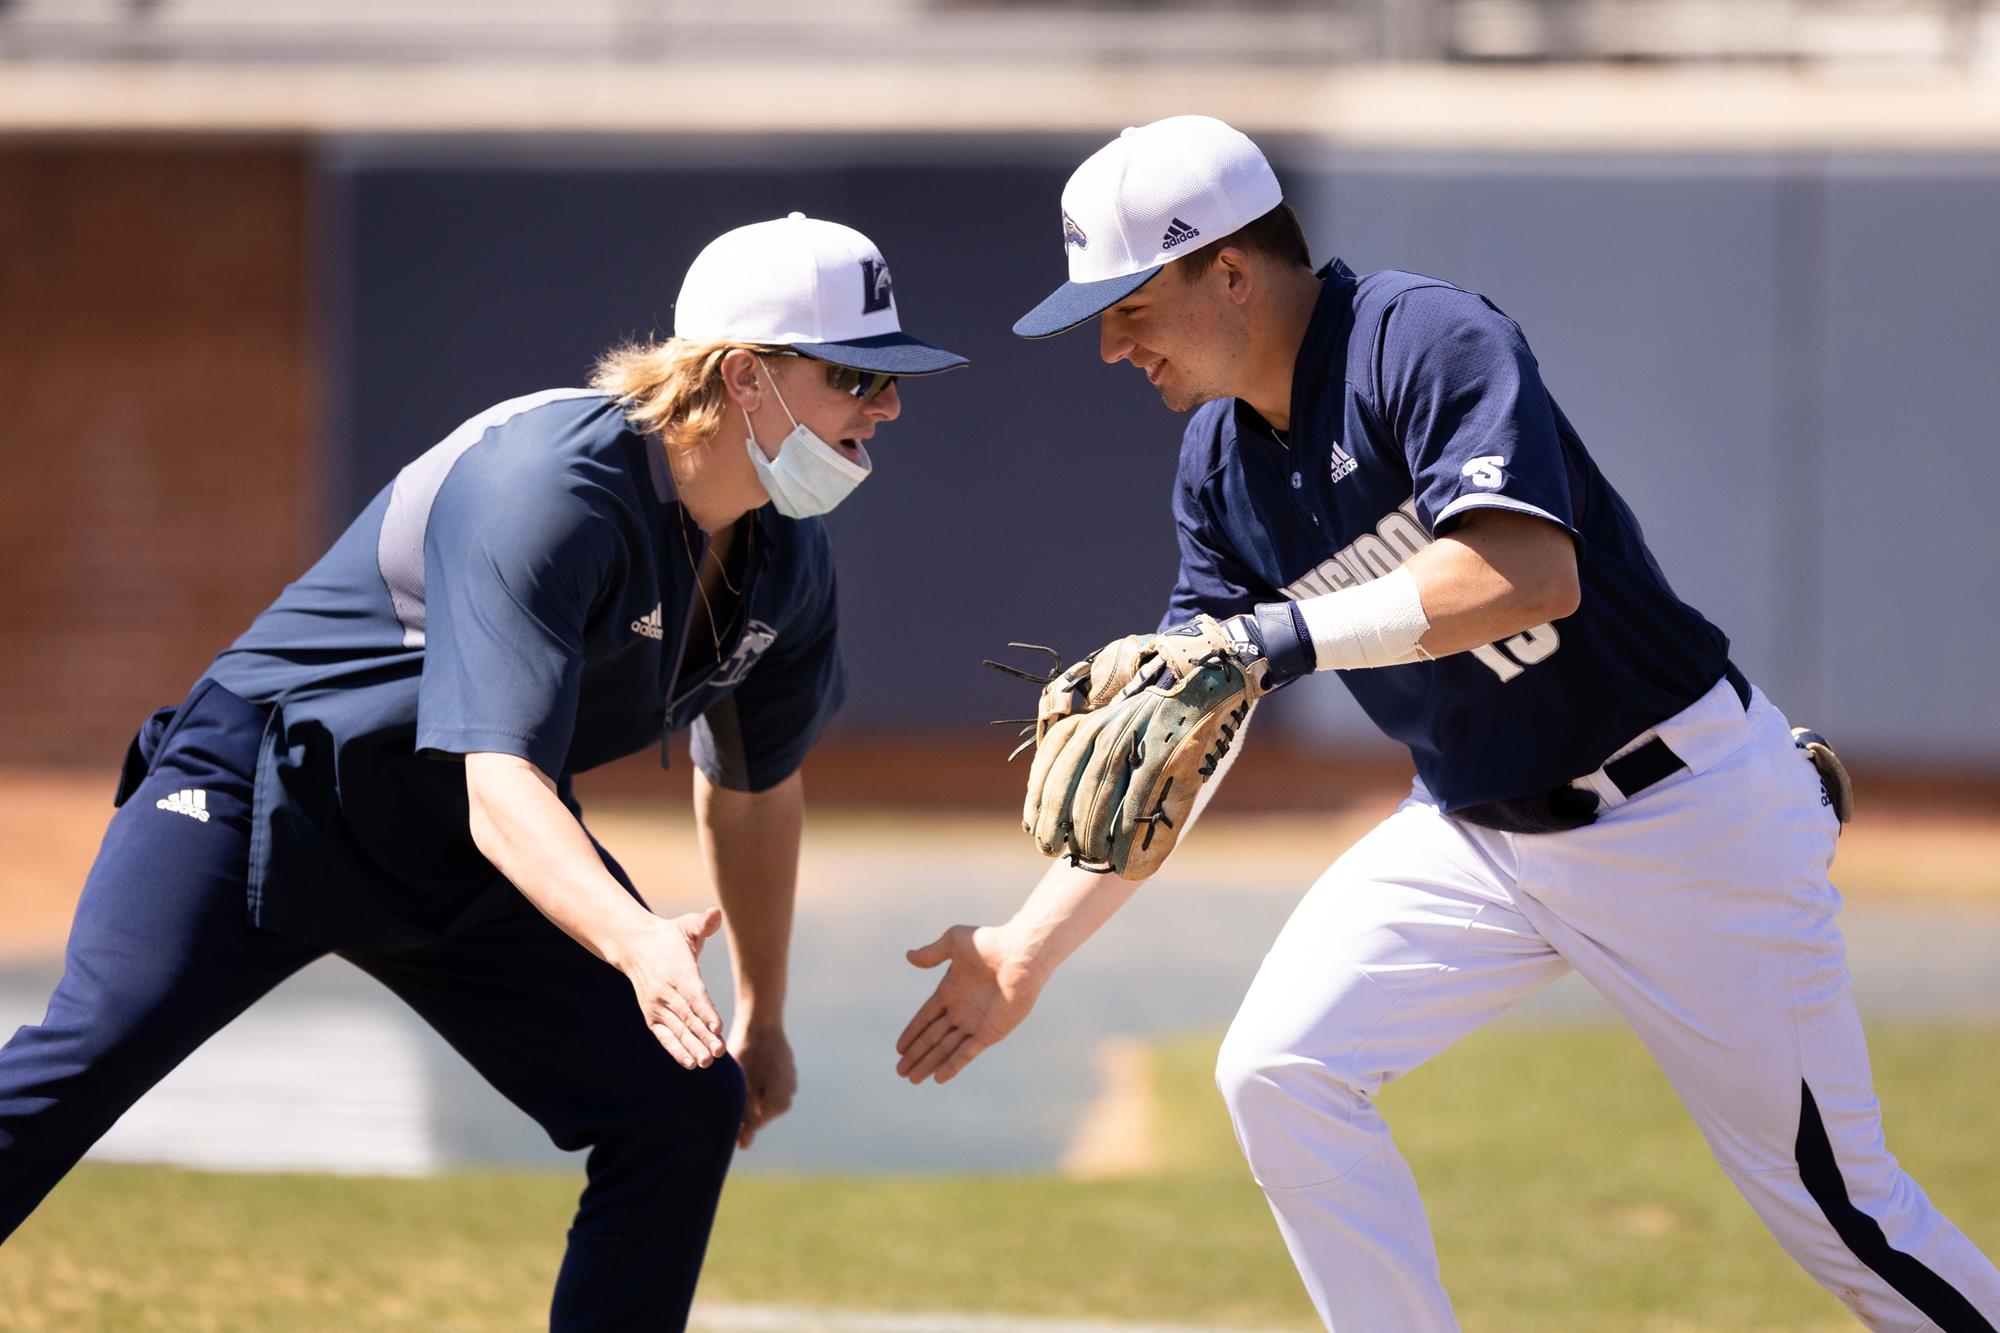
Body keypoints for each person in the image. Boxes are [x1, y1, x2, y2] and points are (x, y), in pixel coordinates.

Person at [896, 115, 1999, 1331]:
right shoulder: (1216, 460)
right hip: (1469, 832)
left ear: (1226, 270)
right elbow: (1182, 728)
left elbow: (1523, 577)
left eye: (1128, 306)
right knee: (1278, 1072)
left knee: (1840, 1215)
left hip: (1681, 815)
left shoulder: (1418, 339)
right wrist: (1027, 946)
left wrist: (1264, 639)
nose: (1108, 344)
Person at [0, 211, 966, 1331]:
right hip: (266, 795)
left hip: (463, 848)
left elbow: (750, 788)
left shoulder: (786, 556)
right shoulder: (547, 486)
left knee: (676, 1105)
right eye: (858, 374)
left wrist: (763, 1010)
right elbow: (499, 785)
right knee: (78, 1069)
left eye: (893, 379)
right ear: (741, 376)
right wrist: (636, 938)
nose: (888, 407)